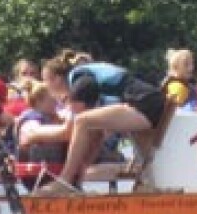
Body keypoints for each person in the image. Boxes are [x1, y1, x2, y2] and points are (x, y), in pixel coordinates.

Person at [58, 58, 165, 188]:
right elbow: (98, 135)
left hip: (143, 103)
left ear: (57, 80)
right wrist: (83, 169)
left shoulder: (79, 76)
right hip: (147, 102)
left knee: (81, 121)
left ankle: (64, 180)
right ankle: (73, 181)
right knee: (86, 123)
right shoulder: (90, 76)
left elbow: (82, 114)